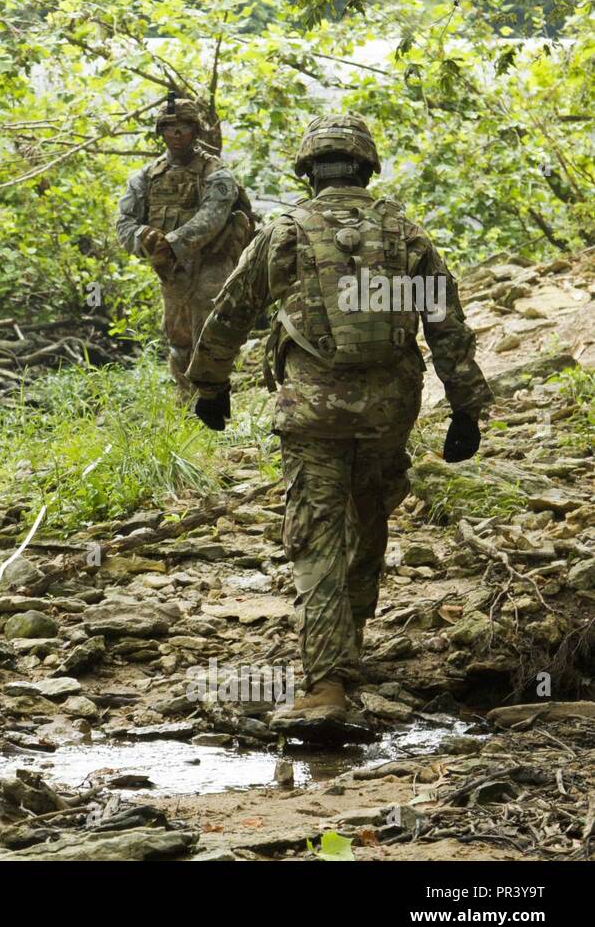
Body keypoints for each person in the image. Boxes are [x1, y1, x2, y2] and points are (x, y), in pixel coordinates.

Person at [185, 113, 494, 712]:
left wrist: (209, 383)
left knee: (317, 528)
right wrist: (465, 407)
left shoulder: (284, 232)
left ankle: (328, 681)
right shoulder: (405, 232)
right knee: (368, 511)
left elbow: (231, 310)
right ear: (366, 167)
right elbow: (446, 325)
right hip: (388, 407)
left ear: (308, 173)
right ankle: (349, 644)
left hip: (312, 410)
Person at [115, 95, 254, 397]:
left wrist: (171, 242)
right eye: (169, 127)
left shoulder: (215, 173)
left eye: (183, 127)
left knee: (212, 335)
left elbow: (212, 218)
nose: (176, 134)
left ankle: (213, 403)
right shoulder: (146, 177)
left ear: (196, 130)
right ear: (160, 131)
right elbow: (124, 222)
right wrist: (144, 239)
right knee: (179, 340)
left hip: (213, 262)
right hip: (173, 269)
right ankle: (186, 402)